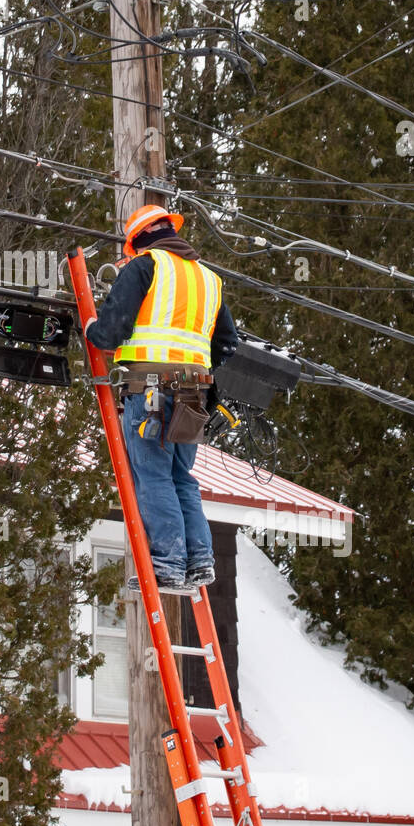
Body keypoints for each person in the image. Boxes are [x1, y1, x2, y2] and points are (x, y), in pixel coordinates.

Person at [84, 205, 239, 593]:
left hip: (150, 389)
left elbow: (110, 333)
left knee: (153, 475)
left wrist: (90, 327)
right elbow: (227, 344)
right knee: (179, 477)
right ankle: (200, 561)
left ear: (137, 240)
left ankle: (168, 565)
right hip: (195, 394)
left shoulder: (144, 266)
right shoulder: (209, 279)